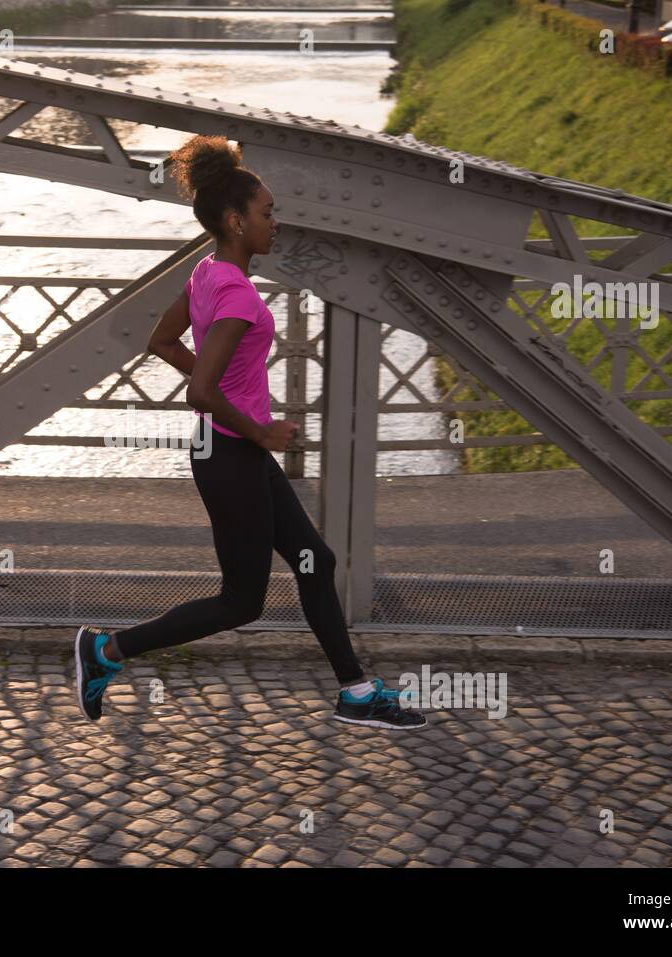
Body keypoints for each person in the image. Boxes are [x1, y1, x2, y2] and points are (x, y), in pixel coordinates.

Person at [72, 133, 427, 731]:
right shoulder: (234, 291)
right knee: (241, 601)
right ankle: (105, 651)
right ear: (235, 220)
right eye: (266, 214)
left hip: (228, 450)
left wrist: (235, 408)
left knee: (314, 557)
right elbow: (201, 392)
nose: (276, 224)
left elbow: (164, 343)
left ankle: (356, 693)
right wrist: (260, 431)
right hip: (232, 454)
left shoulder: (208, 270)